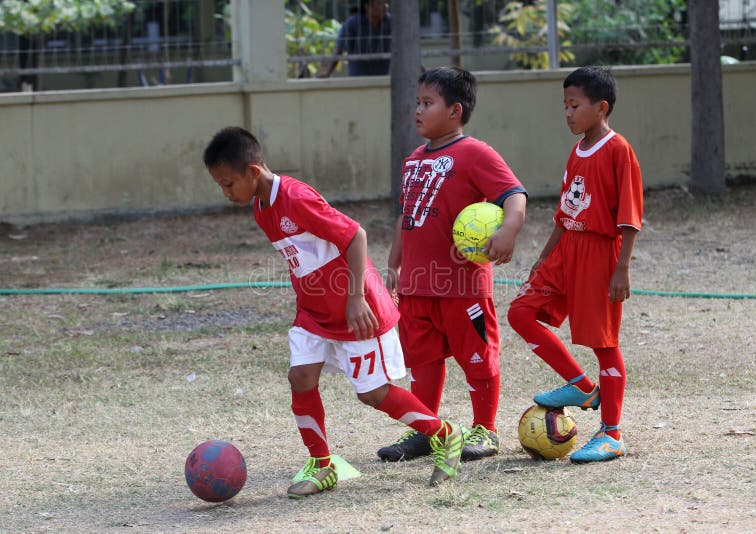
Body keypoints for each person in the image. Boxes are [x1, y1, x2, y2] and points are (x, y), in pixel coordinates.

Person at [202, 126, 466, 496]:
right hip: (314, 314)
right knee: (301, 377)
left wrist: (355, 297)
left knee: (372, 393)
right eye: (220, 186)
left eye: (228, 184)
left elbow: (355, 235)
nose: (226, 193)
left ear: (253, 172)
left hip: (355, 309)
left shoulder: (295, 197)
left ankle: (445, 433)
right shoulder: (262, 209)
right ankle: (323, 466)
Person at [378, 67, 528, 463]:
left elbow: (514, 195)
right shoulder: (413, 160)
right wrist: (394, 266)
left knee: (477, 357)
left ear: (455, 111)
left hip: (462, 286)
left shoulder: (475, 153)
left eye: (428, 103)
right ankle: (426, 430)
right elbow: (406, 216)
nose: (418, 110)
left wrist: (509, 230)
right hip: (417, 285)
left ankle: (486, 429)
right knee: (422, 362)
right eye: (418, 102)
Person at [507, 66, 643, 463]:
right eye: (564, 105)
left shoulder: (619, 150)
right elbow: (566, 210)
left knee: (604, 344)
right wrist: (544, 257)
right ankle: (581, 385)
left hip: (600, 255)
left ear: (601, 108)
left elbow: (630, 217)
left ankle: (612, 433)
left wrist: (622, 268)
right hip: (566, 248)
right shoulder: (577, 148)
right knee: (520, 313)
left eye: (574, 105)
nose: (567, 113)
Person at [317, 0, 391, 78]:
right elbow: (339, 50)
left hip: (385, 79)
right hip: (358, 80)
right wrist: (327, 72)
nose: (386, 6)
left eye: (386, 3)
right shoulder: (353, 24)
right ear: (368, 7)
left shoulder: (391, 22)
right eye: (380, 3)